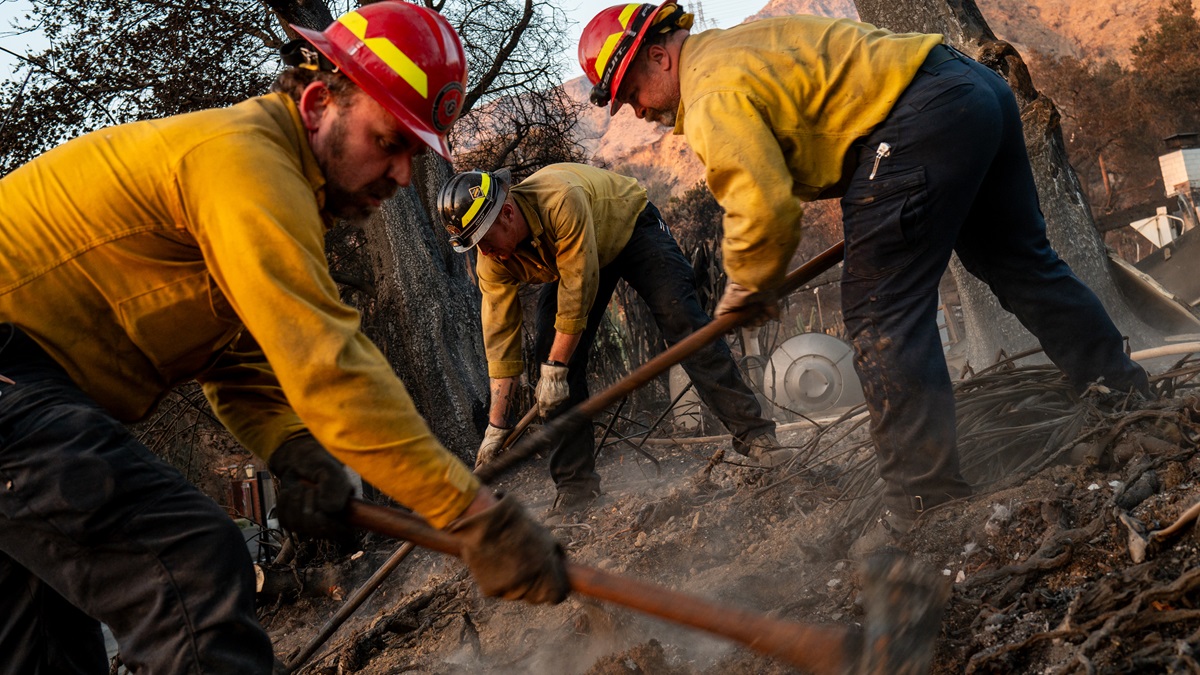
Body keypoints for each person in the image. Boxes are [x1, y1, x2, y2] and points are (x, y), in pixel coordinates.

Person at [0, 4, 567, 673]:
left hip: (27, 386)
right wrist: (475, 517)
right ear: (320, 101)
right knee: (192, 564)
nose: (403, 176)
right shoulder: (245, 164)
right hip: (15, 378)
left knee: (45, 648)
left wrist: (292, 448)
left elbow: (230, 356)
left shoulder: (264, 178)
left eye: (414, 154)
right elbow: (330, 368)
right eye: (389, 142)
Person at [577, 2, 1149, 542]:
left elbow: (760, 203)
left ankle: (926, 502)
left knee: (881, 314)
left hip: (914, 119)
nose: (639, 111)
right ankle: (1125, 398)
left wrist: (748, 283)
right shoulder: (739, 48)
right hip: (973, 91)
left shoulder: (710, 93)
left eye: (631, 92)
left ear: (658, 53)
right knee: (1021, 264)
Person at [437, 163, 787, 516]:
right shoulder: (493, 260)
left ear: (507, 213)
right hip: (575, 258)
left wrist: (555, 370)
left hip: (629, 226)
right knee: (550, 352)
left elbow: (577, 295)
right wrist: (497, 427)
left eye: (484, 240)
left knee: (683, 320)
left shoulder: (561, 202)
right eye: (475, 246)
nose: (484, 252)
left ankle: (756, 436)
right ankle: (576, 488)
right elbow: (500, 338)